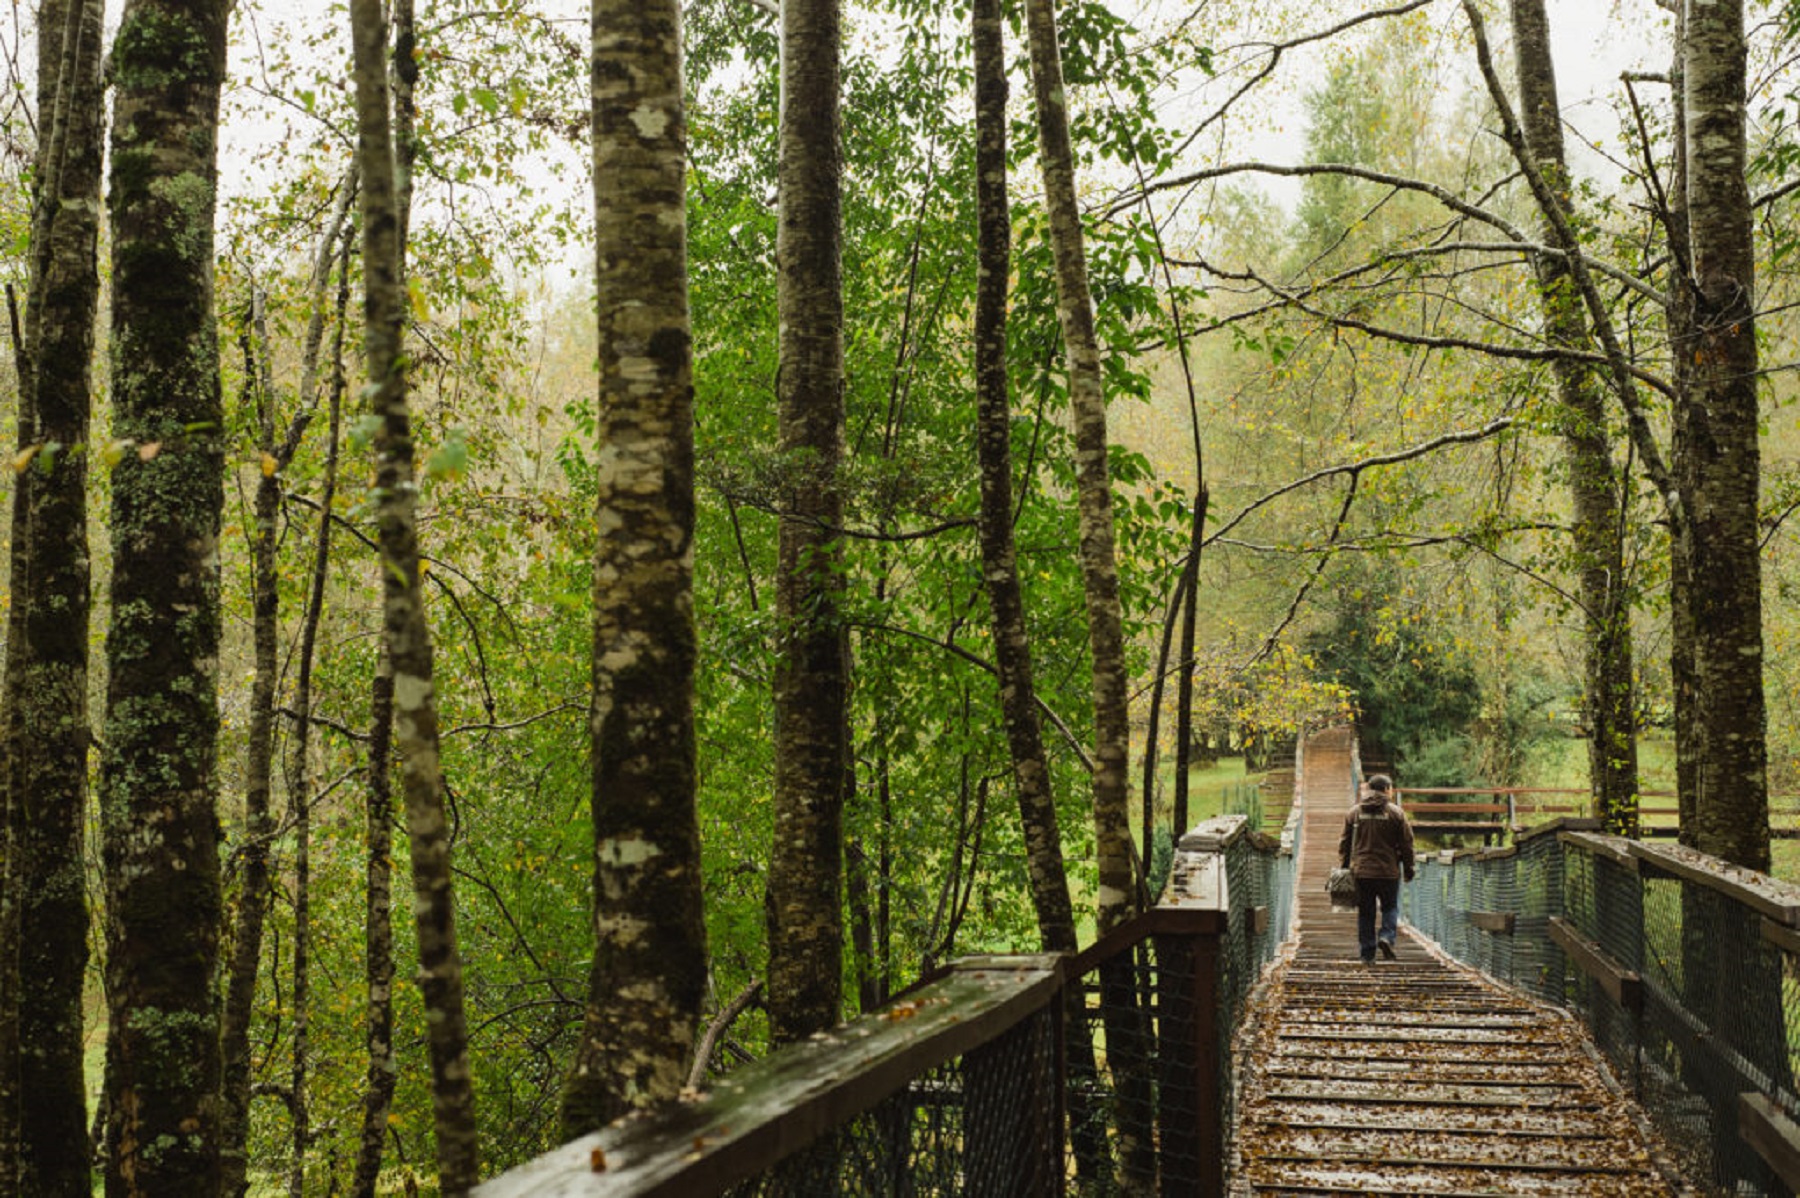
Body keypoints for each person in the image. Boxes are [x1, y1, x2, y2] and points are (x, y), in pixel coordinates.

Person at [1338, 773, 1415, 963]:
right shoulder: (1396, 813)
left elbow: (1345, 844)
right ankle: (1386, 937)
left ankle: (1367, 954)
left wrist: (1345, 867)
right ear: (1387, 789)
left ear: (1369, 789)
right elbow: (1407, 844)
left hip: (1362, 872)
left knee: (1366, 912)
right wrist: (1409, 868)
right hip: (1388, 872)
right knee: (1390, 907)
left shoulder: (1354, 812)